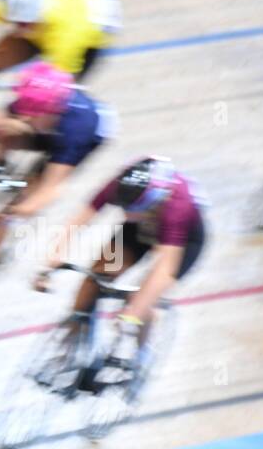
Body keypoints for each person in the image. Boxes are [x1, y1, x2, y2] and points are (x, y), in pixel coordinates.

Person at [0, 61, 113, 317]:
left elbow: (52, 187)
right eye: (24, 110)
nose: (26, 116)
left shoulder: (77, 129)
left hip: (71, 141)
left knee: (12, 212)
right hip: (44, 125)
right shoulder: (31, 103)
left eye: (32, 113)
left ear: (52, 108)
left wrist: (19, 211)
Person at [34, 157, 205, 368]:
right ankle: (69, 344)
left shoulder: (178, 207)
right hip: (138, 228)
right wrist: (50, 262)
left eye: (132, 208)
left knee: (141, 298)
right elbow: (77, 222)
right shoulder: (119, 185)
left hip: (184, 240)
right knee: (94, 278)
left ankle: (141, 354)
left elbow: (164, 270)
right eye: (124, 207)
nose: (125, 213)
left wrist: (133, 313)